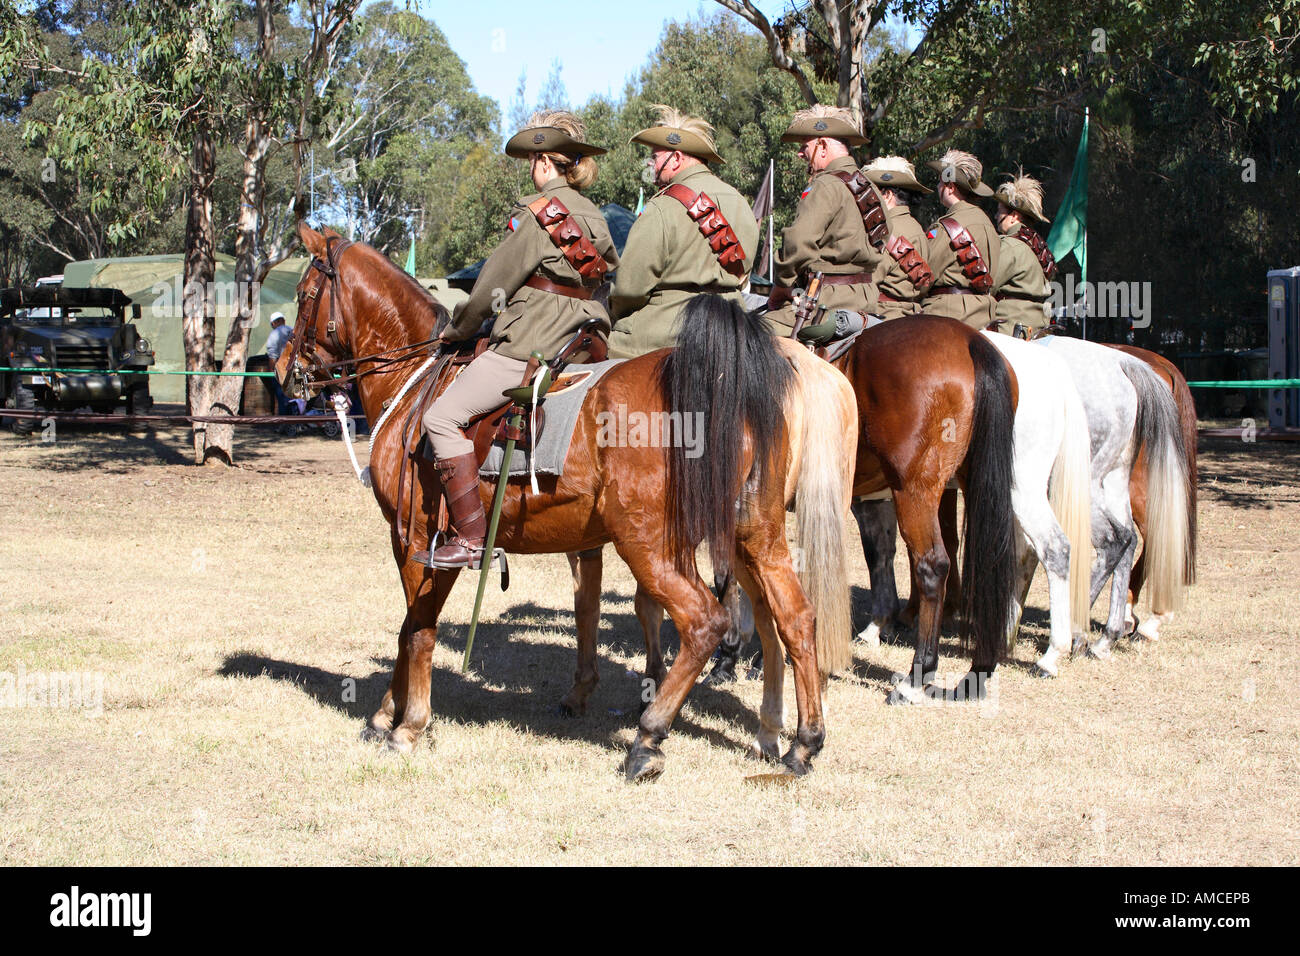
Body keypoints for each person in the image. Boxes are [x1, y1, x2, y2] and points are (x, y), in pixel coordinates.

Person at [414, 110, 619, 569]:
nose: (531, 167)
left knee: (442, 417)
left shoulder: (536, 215)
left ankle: (469, 536)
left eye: (532, 159)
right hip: (584, 345)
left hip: (532, 344)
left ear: (545, 162)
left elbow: (492, 286)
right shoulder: (598, 218)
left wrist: (458, 328)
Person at [608, 105, 758, 358]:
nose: (651, 165)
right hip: (732, 332)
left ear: (676, 158)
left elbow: (630, 289)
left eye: (655, 157)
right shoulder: (739, 201)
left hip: (665, 334)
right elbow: (744, 270)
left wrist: (614, 308)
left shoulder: (662, 205)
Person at [764, 105, 884, 337]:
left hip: (824, 301)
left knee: (750, 335)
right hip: (867, 300)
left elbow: (797, 245)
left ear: (823, 145)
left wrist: (781, 287)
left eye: (805, 146)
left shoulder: (824, 185)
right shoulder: (872, 189)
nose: (801, 153)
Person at [919, 149, 1001, 330]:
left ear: (950, 186)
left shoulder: (945, 226)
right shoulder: (989, 225)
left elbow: (926, 276)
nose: (938, 187)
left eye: (940, 182)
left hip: (947, 316)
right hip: (985, 315)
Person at [863, 156, 935, 320]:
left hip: (881, 318)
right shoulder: (917, 228)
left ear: (887, 195)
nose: (868, 200)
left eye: (873, 193)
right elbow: (925, 284)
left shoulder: (884, 230)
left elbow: (869, 280)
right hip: (911, 315)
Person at [990, 171, 1056, 337]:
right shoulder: (1038, 246)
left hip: (1009, 330)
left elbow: (989, 285)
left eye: (1000, 211)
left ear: (1013, 216)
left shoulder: (1010, 245)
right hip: (1038, 327)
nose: (996, 216)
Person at [264, 311, 295, 416]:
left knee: (282, 397)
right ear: (284, 320)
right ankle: (297, 420)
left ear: (273, 323)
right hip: (295, 369)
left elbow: (272, 356)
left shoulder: (274, 335)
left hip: (281, 371)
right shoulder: (292, 331)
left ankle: (285, 422)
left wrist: (271, 373)